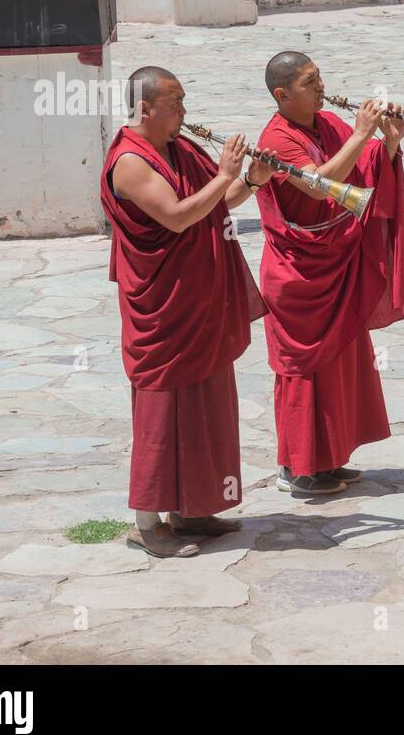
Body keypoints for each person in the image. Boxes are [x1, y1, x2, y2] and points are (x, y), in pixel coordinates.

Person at [101, 66, 274, 557]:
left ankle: (193, 508)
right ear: (144, 108)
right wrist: (224, 174)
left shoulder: (180, 149)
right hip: (164, 308)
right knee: (161, 411)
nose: (183, 110)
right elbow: (177, 218)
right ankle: (147, 523)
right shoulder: (131, 162)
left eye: (182, 100)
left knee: (205, 404)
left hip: (198, 301)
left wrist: (252, 182)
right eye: (174, 102)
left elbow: (213, 207)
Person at [255, 52, 404, 495]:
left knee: (340, 364)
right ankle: (299, 467)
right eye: (311, 82)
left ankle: (327, 460)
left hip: (335, 261)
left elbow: (363, 166)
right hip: (298, 274)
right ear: (282, 94)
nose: (322, 86)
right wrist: (364, 131)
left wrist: (388, 141)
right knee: (304, 370)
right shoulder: (275, 139)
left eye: (320, 77)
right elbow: (318, 183)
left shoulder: (327, 122)